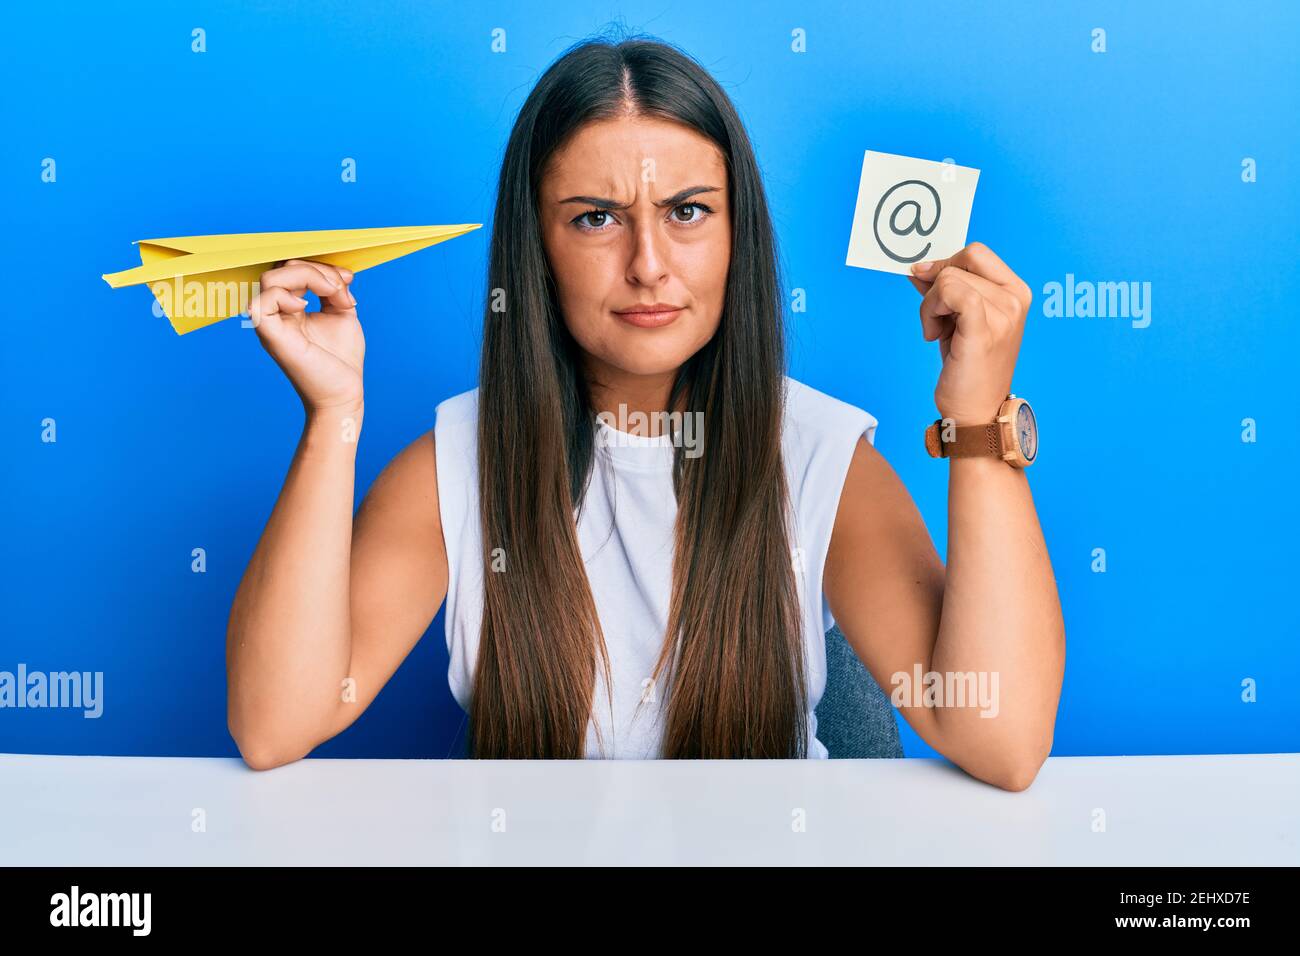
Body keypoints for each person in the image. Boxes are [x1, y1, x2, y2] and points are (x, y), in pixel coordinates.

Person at [225, 35, 1064, 787]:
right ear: (537, 251)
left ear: (739, 234)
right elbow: (274, 726)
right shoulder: (454, 465)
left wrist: (982, 418)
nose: (649, 265)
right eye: (596, 219)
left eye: (687, 211)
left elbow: (1001, 740)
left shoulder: (822, 456)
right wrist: (332, 413)